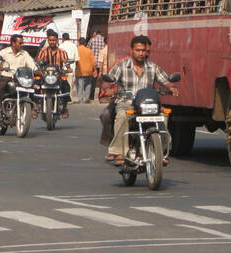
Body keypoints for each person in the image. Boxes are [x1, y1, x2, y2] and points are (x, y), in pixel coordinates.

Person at [104, 35, 179, 164]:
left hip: (148, 104)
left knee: (163, 117)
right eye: (138, 50)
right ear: (131, 50)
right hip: (126, 103)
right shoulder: (122, 66)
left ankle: (162, 151)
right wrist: (108, 89)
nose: (141, 53)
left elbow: (165, 80)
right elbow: (108, 81)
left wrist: (171, 87)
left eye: (143, 50)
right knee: (122, 115)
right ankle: (118, 151)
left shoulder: (153, 67)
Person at [0, 34, 36, 113]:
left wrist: (36, 70)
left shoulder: (24, 53)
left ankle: (32, 106)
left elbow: (31, 64)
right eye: (20, 43)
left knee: (33, 85)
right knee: (2, 85)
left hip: (21, 78)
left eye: (22, 43)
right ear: (13, 43)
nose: (22, 45)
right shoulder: (4, 52)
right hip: (8, 76)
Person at [36, 30, 72, 117]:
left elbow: (66, 62)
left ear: (57, 40)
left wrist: (68, 68)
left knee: (66, 86)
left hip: (57, 74)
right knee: (36, 84)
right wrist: (38, 69)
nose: (52, 42)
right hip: (45, 75)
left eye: (54, 40)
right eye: (50, 40)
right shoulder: (43, 51)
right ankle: (36, 106)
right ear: (48, 40)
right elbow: (38, 62)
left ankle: (64, 108)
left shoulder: (62, 52)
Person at [75, 36, 97, 103]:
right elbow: (94, 62)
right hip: (88, 70)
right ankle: (87, 97)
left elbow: (75, 60)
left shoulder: (77, 50)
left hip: (80, 71)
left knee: (80, 85)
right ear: (85, 43)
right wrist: (95, 70)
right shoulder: (89, 51)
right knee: (88, 84)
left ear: (79, 43)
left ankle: (80, 99)